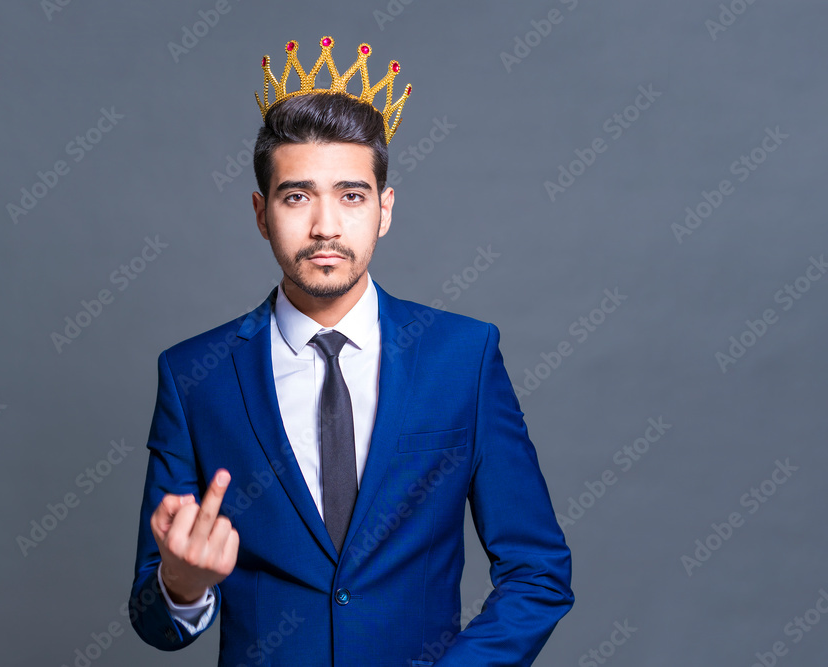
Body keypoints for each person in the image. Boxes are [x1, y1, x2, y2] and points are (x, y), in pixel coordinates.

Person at [128, 35, 573, 666]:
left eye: (351, 196)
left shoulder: (463, 358)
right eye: (297, 196)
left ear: (384, 209)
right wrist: (182, 583)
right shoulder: (194, 376)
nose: (326, 226)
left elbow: (538, 572)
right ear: (261, 213)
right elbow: (154, 619)